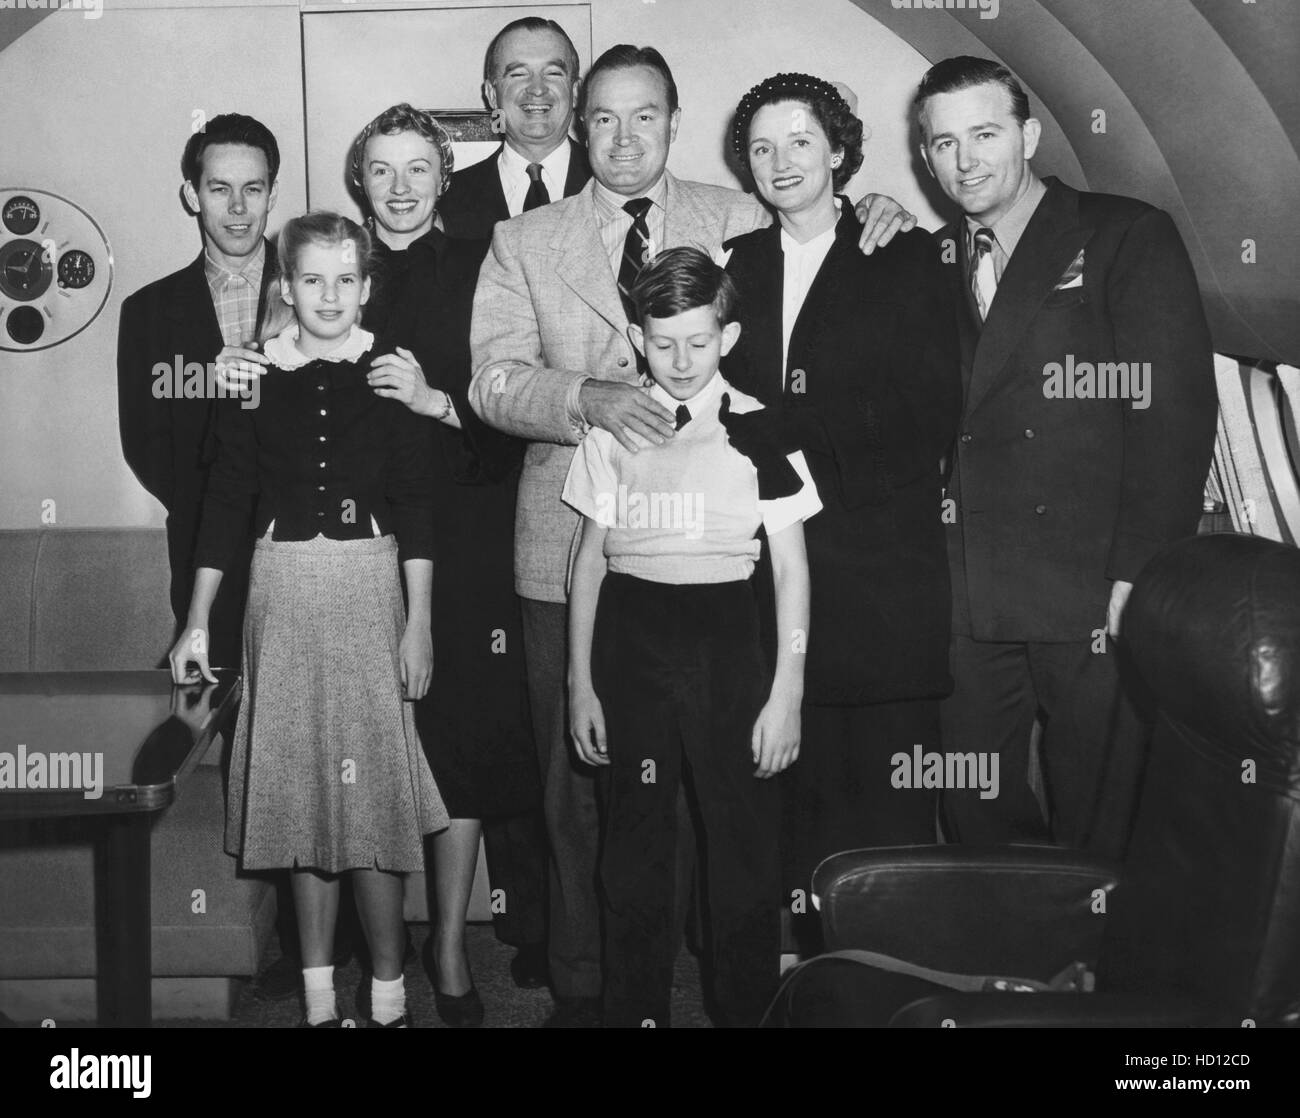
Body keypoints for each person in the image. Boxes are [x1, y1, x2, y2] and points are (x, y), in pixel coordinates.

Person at [469, 43, 916, 1026]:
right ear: (580, 129)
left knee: (726, 797)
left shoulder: (740, 215)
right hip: (577, 542)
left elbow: (821, 245)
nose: (624, 137)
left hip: (720, 551)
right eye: (603, 119)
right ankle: (591, 988)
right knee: (584, 790)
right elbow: (491, 382)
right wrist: (588, 395)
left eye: (645, 116)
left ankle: (729, 982)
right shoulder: (523, 239)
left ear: (673, 122)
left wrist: (882, 210)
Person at [914, 57, 1218, 858]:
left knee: (1099, 806)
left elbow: (1174, 417)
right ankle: (1000, 965)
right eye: (942, 143)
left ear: (1029, 135)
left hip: (1088, 583)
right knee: (971, 797)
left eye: (984, 134)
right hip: (969, 584)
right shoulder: (932, 261)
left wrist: (1137, 574)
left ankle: (1094, 975)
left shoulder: (1122, 233)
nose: (964, 160)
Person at [171, 212, 447, 1028]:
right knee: (300, 803)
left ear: (366, 287)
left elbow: (417, 507)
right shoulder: (254, 376)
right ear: (285, 287)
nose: (329, 296)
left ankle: (390, 998)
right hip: (280, 596)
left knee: (374, 811)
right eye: (312, 280)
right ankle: (321, 1001)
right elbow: (223, 503)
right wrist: (196, 622)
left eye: (346, 280)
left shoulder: (391, 376)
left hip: (370, 594)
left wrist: (418, 622)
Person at [720, 74, 962, 952]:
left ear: (838, 150)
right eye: (761, 147)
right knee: (786, 787)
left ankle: (879, 977)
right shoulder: (736, 269)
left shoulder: (903, 254)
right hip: (766, 572)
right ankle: (795, 973)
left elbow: (932, 411)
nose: (781, 162)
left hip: (878, 573)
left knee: (878, 804)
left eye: (799, 141)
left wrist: (788, 429)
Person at [564, 247, 818, 1026]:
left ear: (728, 337)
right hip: (632, 644)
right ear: (638, 338)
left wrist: (788, 694)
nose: (680, 359)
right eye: (662, 341)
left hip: (728, 644)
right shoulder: (614, 430)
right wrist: (580, 683)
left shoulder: (763, 428)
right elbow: (588, 565)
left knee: (741, 851)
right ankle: (635, 1012)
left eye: (698, 342)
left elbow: (791, 574)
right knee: (634, 849)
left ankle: (745, 1012)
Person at [117, 112, 280, 670]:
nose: (237, 208)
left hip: (316, 547)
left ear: (271, 194)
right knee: (216, 719)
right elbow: (145, 442)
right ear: (192, 195)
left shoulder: (319, 289)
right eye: (220, 189)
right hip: (202, 548)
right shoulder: (148, 313)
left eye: (252, 189)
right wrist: (212, 508)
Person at [439, 16, 590, 239]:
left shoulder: (608, 182)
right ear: (492, 94)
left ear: (576, 91)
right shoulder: (447, 198)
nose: (537, 89)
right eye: (518, 74)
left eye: (553, 73)